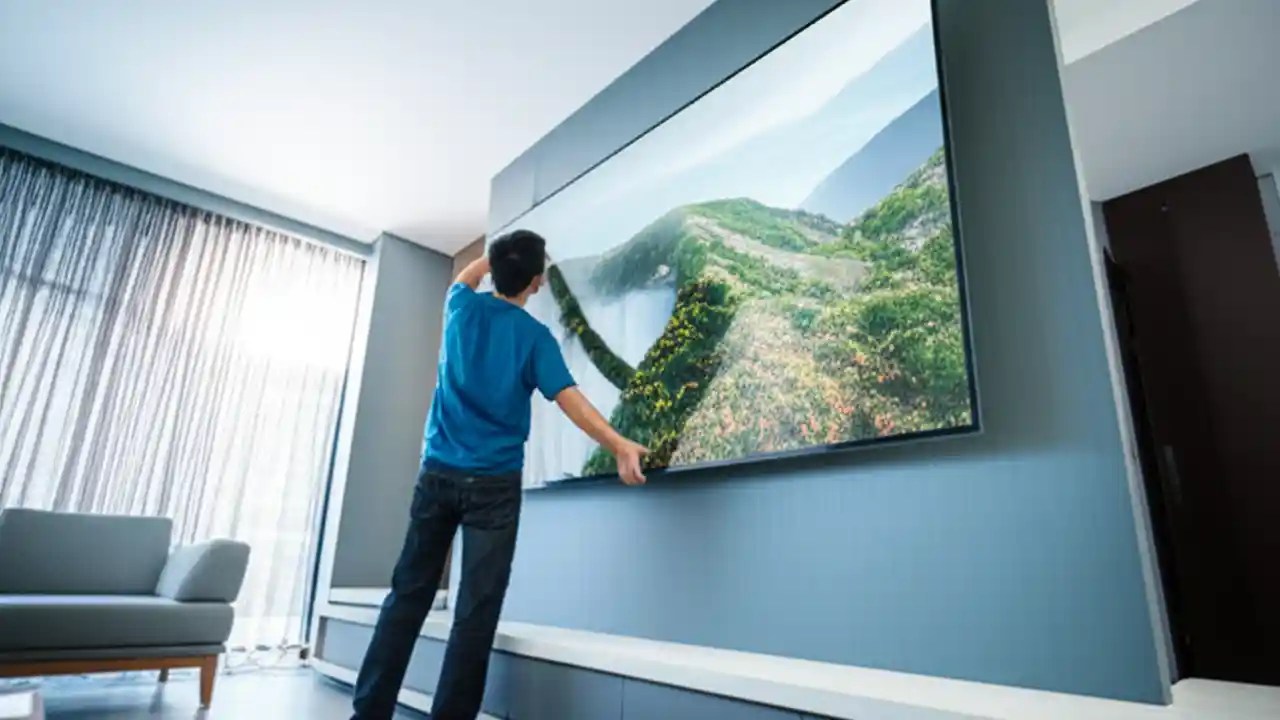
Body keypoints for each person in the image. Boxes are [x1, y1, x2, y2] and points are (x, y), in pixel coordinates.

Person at [351, 229, 648, 720]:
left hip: (436, 477)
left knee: (407, 597)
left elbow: (469, 276)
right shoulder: (534, 338)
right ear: (534, 283)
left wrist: (491, 260)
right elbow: (570, 400)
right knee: (474, 615)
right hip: (493, 489)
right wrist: (618, 444)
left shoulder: (459, 308)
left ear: (494, 268)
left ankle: (367, 714)